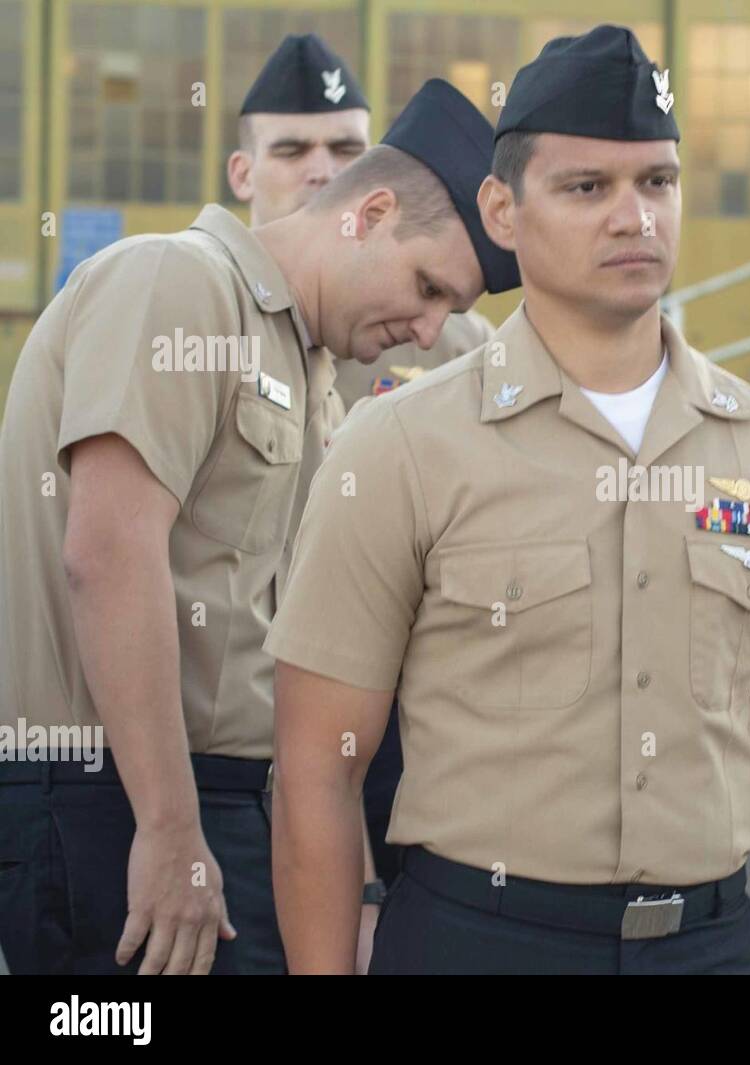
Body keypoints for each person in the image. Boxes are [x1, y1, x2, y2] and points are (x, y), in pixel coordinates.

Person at [265, 24, 750, 975]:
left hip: (710, 945)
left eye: (657, 182)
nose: (635, 217)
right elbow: (317, 770)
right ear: (501, 211)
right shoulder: (402, 449)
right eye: (588, 188)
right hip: (481, 941)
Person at [0, 76, 509, 974]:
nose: (429, 332)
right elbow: (109, 554)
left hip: (227, 807)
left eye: (450, 312)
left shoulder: (300, 361)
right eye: (429, 287)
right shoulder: (177, 282)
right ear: (370, 211)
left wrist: (348, 886)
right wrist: (166, 829)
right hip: (114, 800)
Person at [228, 35, 494, 899]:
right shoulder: (207, 315)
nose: (317, 170)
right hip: (244, 732)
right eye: (292, 149)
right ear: (243, 173)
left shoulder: (452, 338)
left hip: (399, 722)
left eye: (343, 148)